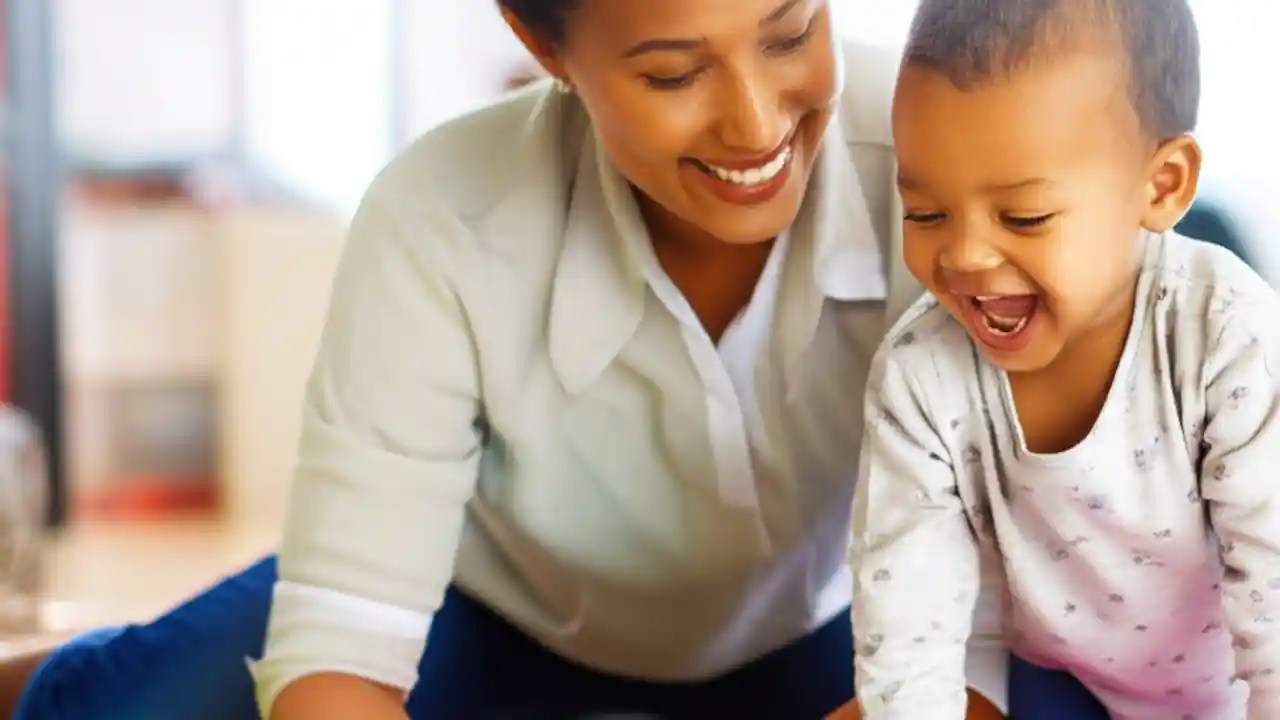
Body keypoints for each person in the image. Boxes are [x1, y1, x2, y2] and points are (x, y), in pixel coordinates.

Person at [18, 1, 1101, 718]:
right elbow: (345, 627)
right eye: (673, 71)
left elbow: (1029, 566)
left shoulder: (944, 152)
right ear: (546, 52)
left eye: (788, 31)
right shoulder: (440, 212)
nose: (755, 121)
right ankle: (61, 664)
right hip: (491, 619)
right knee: (125, 708)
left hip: (827, 624)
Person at [851, 0, 1280, 718]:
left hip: (1230, 691)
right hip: (1048, 678)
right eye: (926, 214)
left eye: (1024, 217)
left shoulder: (1228, 338)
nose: (964, 257)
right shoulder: (920, 375)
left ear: (1161, 185)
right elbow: (907, 636)